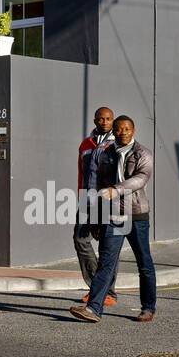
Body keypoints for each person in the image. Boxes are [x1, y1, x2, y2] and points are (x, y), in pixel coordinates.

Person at [69, 115, 157, 323]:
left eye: (127, 129)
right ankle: (93, 309)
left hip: (136, 215)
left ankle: (148, 307)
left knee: (144, 262)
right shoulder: (106, 153)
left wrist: (115, 190)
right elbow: (99, 184)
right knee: (106, 262)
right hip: (113, 215)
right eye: (118, 129)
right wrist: (96, 218)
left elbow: (141, 179)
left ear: (133, 130)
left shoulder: (142, 153)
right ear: (114, 132)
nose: (123, 133)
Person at [72, 107, 118, 307]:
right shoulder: (85, 144)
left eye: (108, 119)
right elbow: (82, 173)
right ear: (95, 120)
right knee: (80, 239)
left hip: (110, 200)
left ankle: (109, 293)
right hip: (87, 199)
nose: (104, 122)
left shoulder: (117, 144)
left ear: (113, 120)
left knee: (108, 246)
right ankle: (96, 287)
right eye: (101, 119)